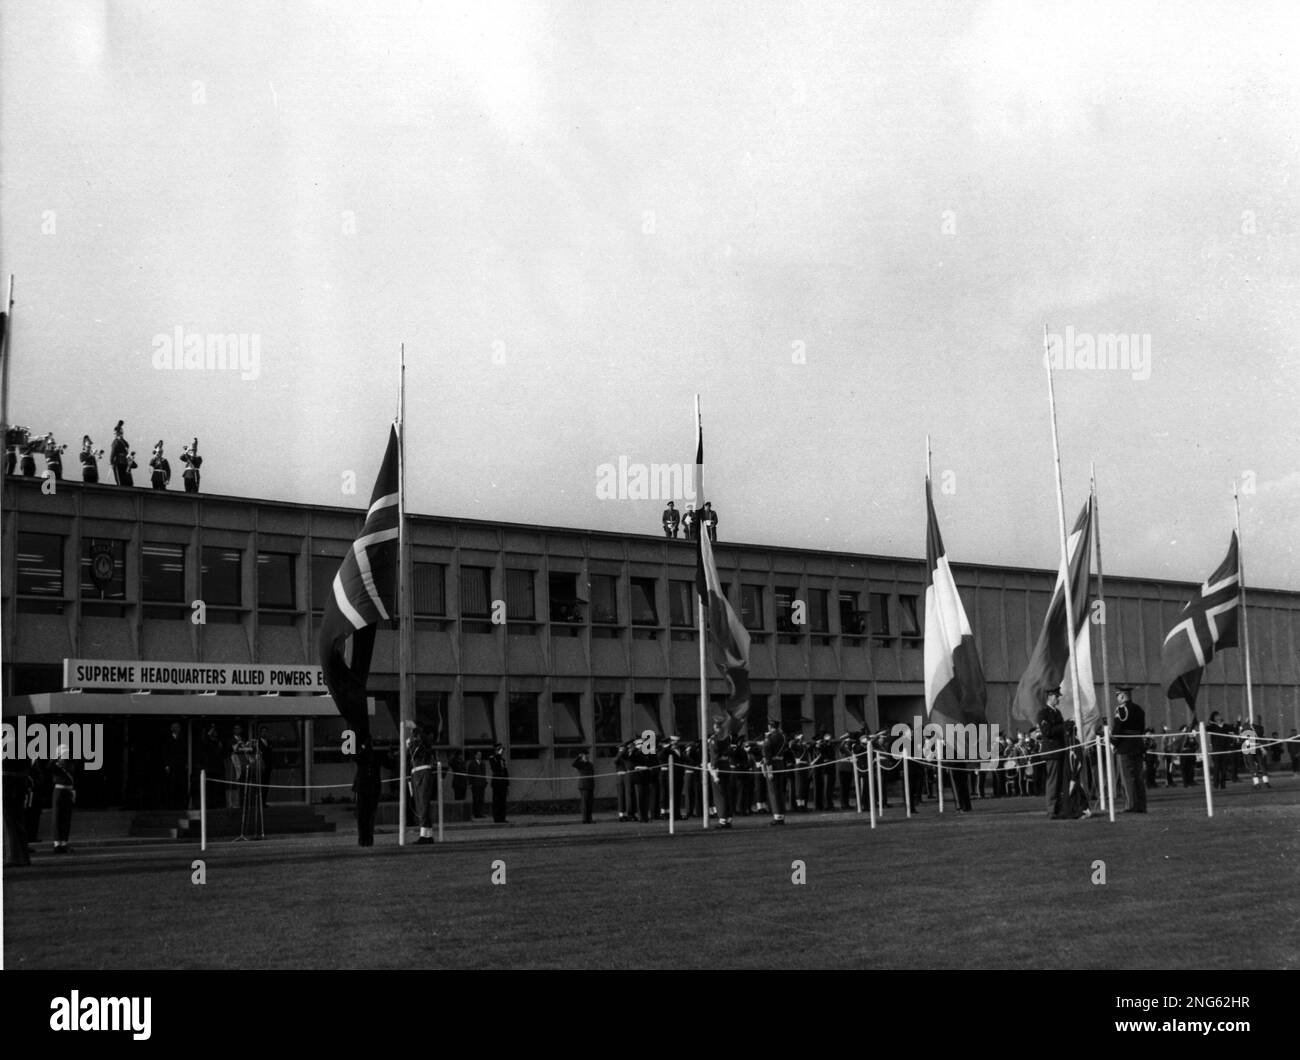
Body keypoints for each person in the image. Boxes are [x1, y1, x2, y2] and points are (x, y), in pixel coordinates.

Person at [1110, 686, 1147, 813]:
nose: (1117, 699)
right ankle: (1141, 805)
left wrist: (1113, 743)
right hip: (1137, 744)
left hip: (1125, 746)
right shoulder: (1139, 709)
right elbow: (1142, 729)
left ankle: (1131, 805)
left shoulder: (1121, 709)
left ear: (1122, 696)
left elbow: (1118, 729)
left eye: (1118, 696)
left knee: (1127, 778)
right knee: (1138, 777)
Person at [1037, 687, 1070, 819]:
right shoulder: (1043, 713)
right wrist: (1063, 726)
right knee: (1053, 781)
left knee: (1060, 782)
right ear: (1050, 697)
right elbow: (1047, 731)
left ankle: (1059, 807)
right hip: (1052, 751)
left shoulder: (1058, 713)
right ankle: (1052, 809)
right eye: (1056, 696)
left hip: (1060, 750)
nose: (1058, 699)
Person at [408, 724, 438, 843]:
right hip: (417, 774)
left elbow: (424, 741)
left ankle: (424, 835)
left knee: (423, 805)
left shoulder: (423, 744)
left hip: (423, 774)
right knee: (421, 805)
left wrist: (416, 729)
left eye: (415, 735)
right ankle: (428, 835)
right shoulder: (416, 745)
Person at [353, 740, 383, 847]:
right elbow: (356, 758)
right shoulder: (361, 756)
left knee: (370, 816)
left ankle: (368, 839)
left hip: (372, 788)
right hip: (363, 788)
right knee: (362, 815)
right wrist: (362, 749)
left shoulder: (376, 756)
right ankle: (363, 839)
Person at [50, 744, 76, 853]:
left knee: (66, 817)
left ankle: (64, 842)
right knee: (57, 817)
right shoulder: (55, 765)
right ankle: (57, 843)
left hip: (68, 790)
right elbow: (49, 768)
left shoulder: (70, 763)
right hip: (59, 790)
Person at [761, 719, 788, 825]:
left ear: (770, 727)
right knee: (780, 791)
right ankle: (781, 815)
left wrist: (770, 771)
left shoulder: (769, 738)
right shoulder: (783, 736)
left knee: (773, 792)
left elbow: (767, 755)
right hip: (781, 765)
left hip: (773, 766)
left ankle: (777, 816)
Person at [162, 721, 188, 810]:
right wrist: (167, 765)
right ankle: (171, 805)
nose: (178, 729)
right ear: (172, 729)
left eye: (179, 727)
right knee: (172, 785)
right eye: (176, 727)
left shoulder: (183, 739)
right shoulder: (168, 739)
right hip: (172, 765)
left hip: (180, 765)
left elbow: (184, 752)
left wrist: (186, 764)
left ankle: (180, 804)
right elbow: (166, 752)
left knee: (181, 785)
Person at [1240, 721, 1271, 791]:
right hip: (1251, 750)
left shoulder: (1250, 732)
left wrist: (1262, 748)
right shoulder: (1247, 733)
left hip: (1253, 751)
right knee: (1256, 766)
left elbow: (1255, 742)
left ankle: (1262, 783)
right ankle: (1262, 783)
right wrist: (1262, 748)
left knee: (1257, 766)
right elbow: (1249, 743)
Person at [200, 723, 226, 807]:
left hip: (218, 768)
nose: (214, 733)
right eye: (212, 731)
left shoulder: (219, 742)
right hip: (209, 768)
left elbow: (222, 753)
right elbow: (204, 741)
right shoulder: (206, 742)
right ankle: (209, 805)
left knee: (217, 788)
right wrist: (210, 730)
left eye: (215, 731)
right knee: (209, 788)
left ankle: (216, 804)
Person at [1206, 712, 1230, 790]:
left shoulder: (1225, 726)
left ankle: (1223, 784)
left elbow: (1233, 728)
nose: (1219, 717)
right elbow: (1206, 729)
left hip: (1225, 749)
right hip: (1216, 750)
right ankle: (1215, 784)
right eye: (1216, 716)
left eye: (1219, 715)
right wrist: (1210, 723)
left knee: (1224, 768)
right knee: (1216, 768)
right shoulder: (1213, 727)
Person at [572, 748, 595, 823]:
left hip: (590, 785)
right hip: (583, 786)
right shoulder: (580, 764)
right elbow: (573, 764)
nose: (587, 757)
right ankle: (585, 819)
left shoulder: (590, 764)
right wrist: (579, 757)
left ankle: (589, 818)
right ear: (582, 756)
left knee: (590, 803)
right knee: (584, 803)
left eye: (587, 755)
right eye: (585, 755)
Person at [109, 420, 135, 486]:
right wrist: (111, 462)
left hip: (125, 463)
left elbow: (127, 448)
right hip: (118, 463)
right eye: (120, 433)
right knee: (120, 481)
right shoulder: (116, 442)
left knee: (127, 480)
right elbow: (113, 453)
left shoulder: (123, 442)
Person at [488, 743, 510, 823]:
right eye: (499, 749)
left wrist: (507, 783)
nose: (501, 751)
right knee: (496, 801)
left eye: (501, 749)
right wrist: (499, 753)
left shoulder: (502, 760)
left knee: (502, 801)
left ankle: (502, 817)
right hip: (497, 783)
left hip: (503, 783)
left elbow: (505, 771)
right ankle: (497, 818)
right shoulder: (492, 758)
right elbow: (495, 765)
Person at [467, 750, 488, 819]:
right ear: (475, 755)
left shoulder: (482, 763)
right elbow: (470, 774)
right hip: (475, 784)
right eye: (478, 754)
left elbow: (484, 774)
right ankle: (476, 813)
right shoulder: (472, 764)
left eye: (480, 755)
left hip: (481, 784)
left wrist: (485, 782)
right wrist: (470, 783)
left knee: (481, 799)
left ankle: (480, 812)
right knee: (476, 799)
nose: (480, 756)